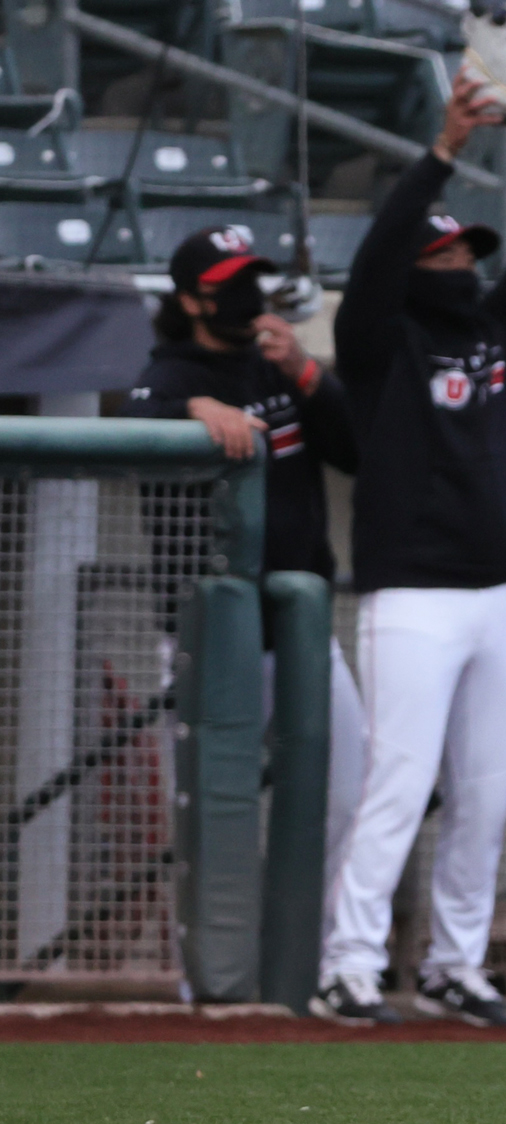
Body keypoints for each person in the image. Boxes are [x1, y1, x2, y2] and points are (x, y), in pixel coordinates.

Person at [313, 69, 506, 1028]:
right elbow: (376, 261)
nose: (463, 259)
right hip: (411, 596)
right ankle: (347, 964)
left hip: (495, 594)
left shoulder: (496, 329)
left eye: (469, 247)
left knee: (486, 794)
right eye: (447, 249)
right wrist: (443, 151)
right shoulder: (379, 342)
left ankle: (453, 966)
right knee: (397, 783)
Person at [123, 225, 365, 959]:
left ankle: (314, 958)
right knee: (207, 812)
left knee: (348, 791)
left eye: (251, 280)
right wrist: (192, 411)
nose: (247, 297)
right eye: (228, 285)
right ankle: (205, 973)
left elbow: (357, 451)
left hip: (299, 629)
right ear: (194, 299)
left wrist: (307, 371)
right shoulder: (171, 373)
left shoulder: (277, 364)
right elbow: (134, 419)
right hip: (210, 641)